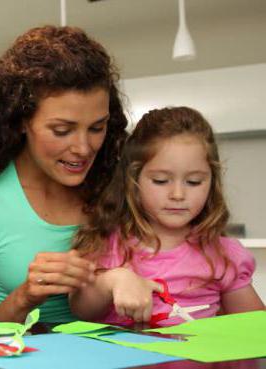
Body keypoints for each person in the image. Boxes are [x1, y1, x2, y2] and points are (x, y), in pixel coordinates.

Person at [0, 26, 129, 323]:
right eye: (62, 130)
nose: (84, 148)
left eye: (97, 128)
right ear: (20, 121)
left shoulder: (117, 187)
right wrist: (25, 297)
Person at [70, 107, 264, 326]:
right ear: (133, 181)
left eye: (194, 182)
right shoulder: (108, 243)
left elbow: (256, 329)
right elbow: (81, 310)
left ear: (212, 183)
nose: (178, 195)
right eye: (161, 181)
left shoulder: (224, 254)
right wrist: (111, 281)